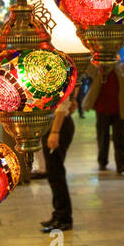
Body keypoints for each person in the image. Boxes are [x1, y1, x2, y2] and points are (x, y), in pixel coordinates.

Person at [40, 86, 77, 233]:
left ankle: (64, 218)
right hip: (54, 125)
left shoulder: (57, 75)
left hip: (58, 126)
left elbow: (61, 106)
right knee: (53, 172)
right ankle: (58, 214)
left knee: (56, 173)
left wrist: (55, 132)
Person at [84, 62, 124, 173]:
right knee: (102, 137)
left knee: (120, 138)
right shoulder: (98, 67)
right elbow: (87, 69)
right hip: (102, 109)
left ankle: (121, 163)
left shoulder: (121, 68)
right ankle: (102, 161)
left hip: (119, 109)